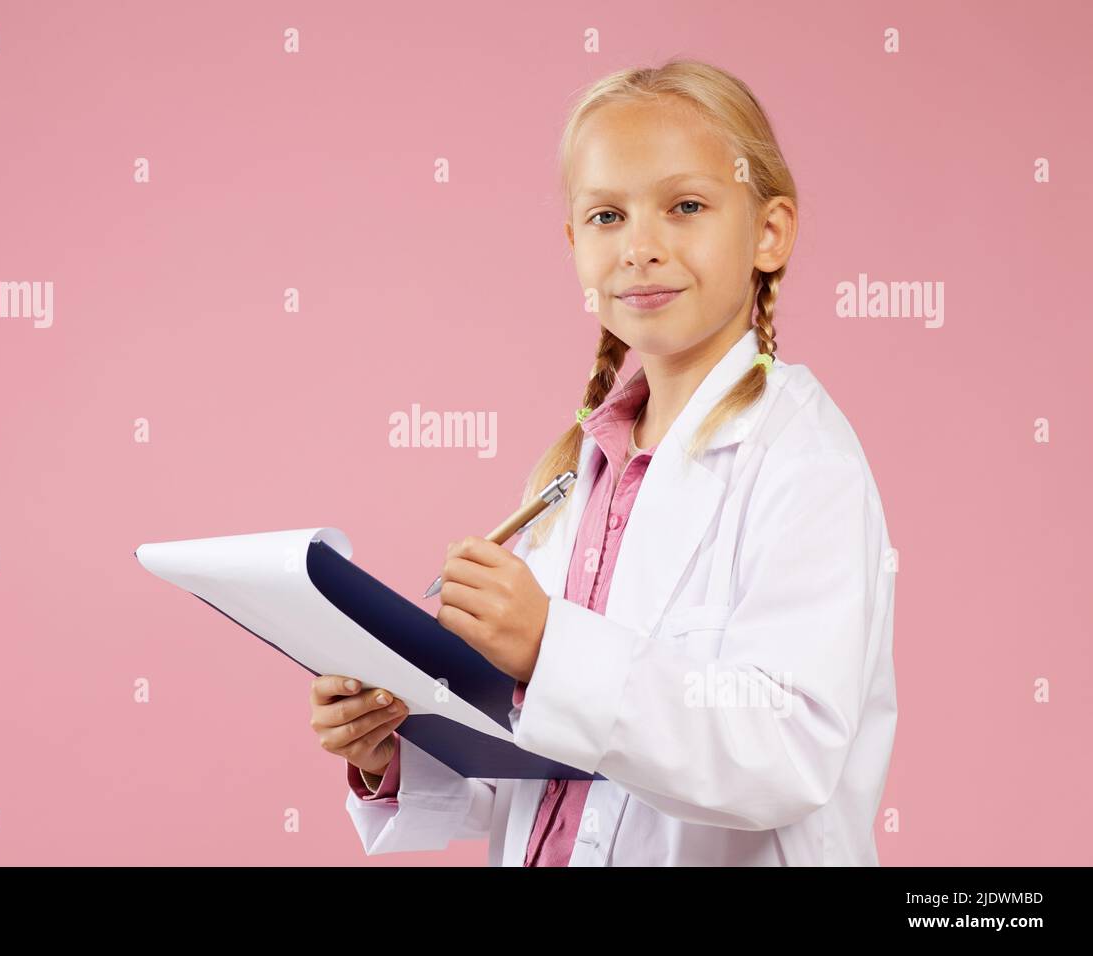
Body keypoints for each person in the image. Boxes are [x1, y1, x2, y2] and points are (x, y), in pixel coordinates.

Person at [309, 58, 896, 866]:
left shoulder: (803, 458)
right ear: (574, 244)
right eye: (607, 216)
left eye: (686, 206)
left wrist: (550, 644)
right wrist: (395, 747)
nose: (640, 248)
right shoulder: (572, 475)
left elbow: (787, 753)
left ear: (769, 232)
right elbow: (542, 769)